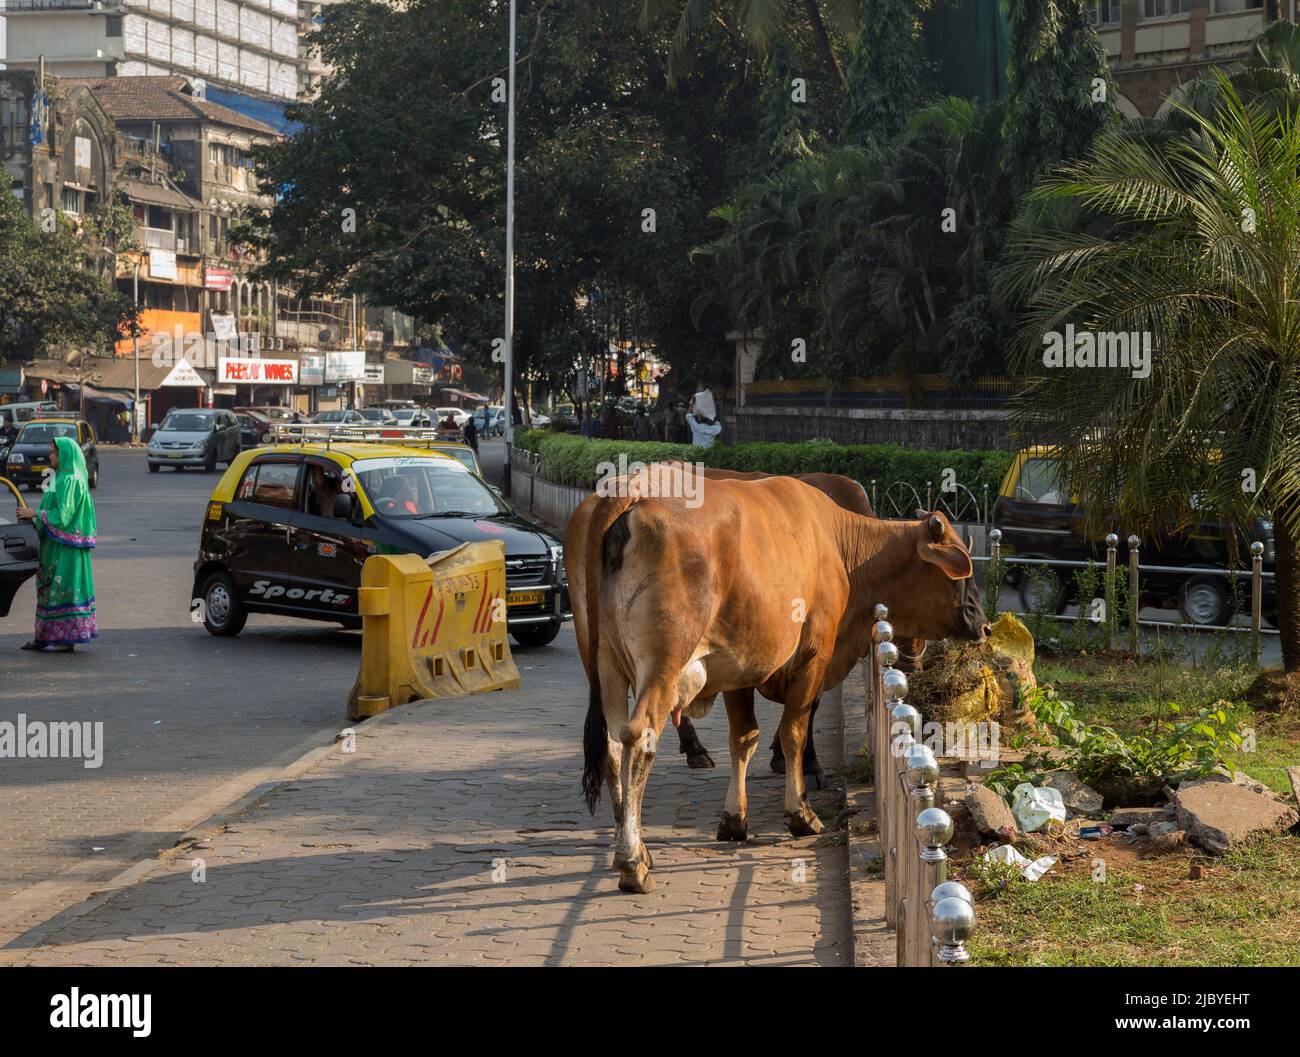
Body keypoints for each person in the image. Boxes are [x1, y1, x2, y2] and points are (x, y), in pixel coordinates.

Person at [16, 436, 97, 652]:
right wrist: (34, 517)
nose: (50, 456)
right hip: (54, 546)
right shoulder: (59, 477)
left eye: (54, 452)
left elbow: (63, 516)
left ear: (66, 454)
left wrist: (35, 514)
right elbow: (49, 507)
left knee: (62, 589)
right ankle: (44, 637)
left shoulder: (70, 480)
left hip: (65, 549)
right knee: (48, 589)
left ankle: (65, 639)